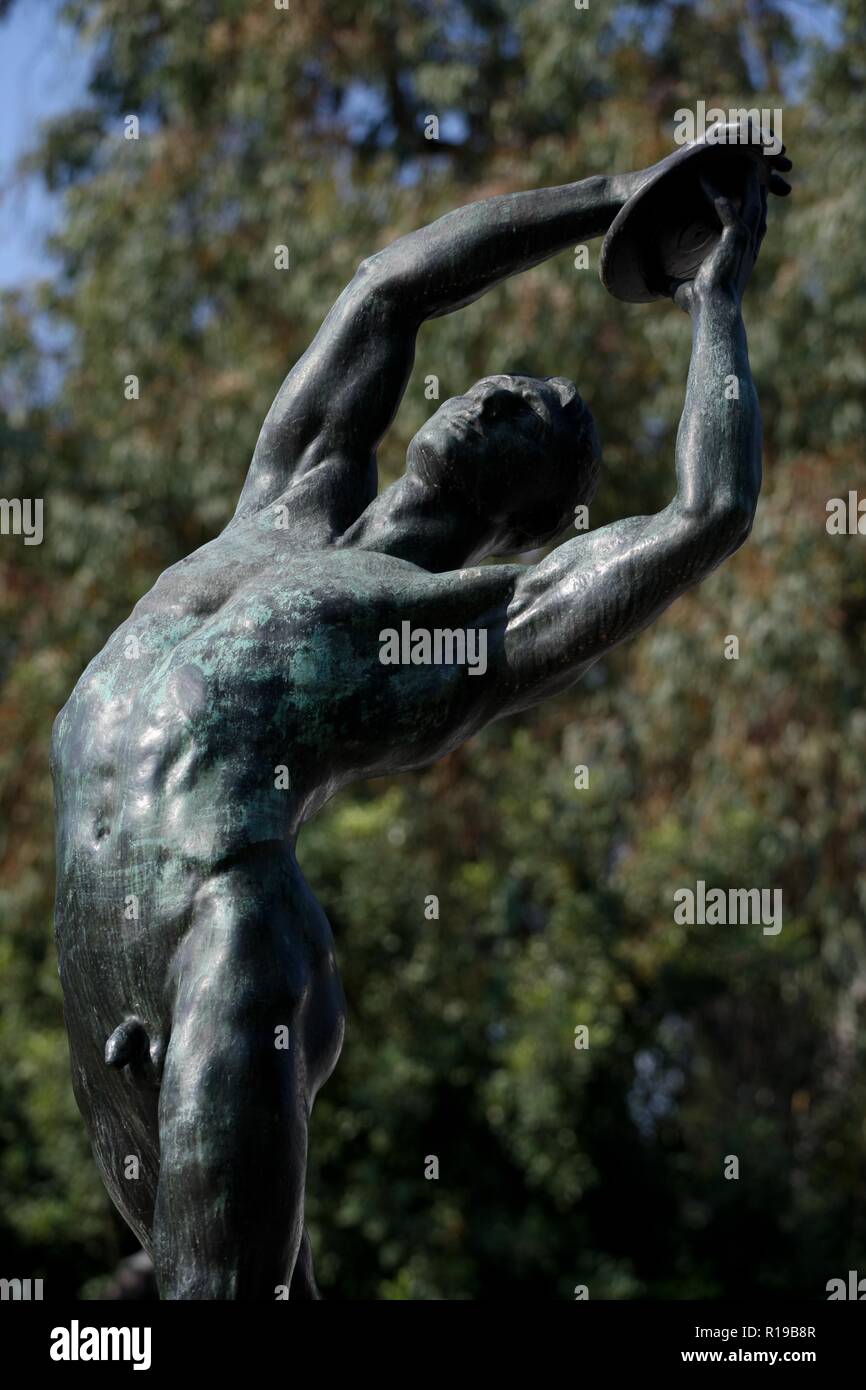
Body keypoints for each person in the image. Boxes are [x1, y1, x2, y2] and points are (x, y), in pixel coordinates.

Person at [51, 148, 791, 1299]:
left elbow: (708, 511)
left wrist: (711, 300)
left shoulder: (460, 626)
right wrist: (613, 197)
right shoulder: (288, 499)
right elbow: (387, 290)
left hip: (225, 944)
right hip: (107, 991)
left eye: (541, 415)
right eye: (505, 377)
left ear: (524, 514)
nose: (504, 391)